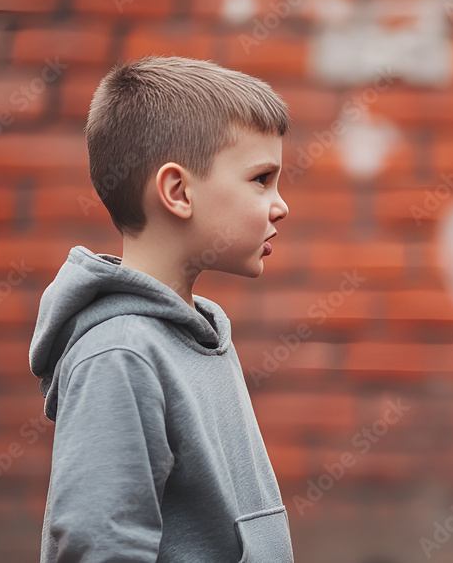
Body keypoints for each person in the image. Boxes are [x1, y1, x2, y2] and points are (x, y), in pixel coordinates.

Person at [28, 56, 293, 562]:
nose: (279, 205)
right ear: (177, 192)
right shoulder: (120, 355)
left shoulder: (200, 333)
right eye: (261, 179)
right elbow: (100, 547)